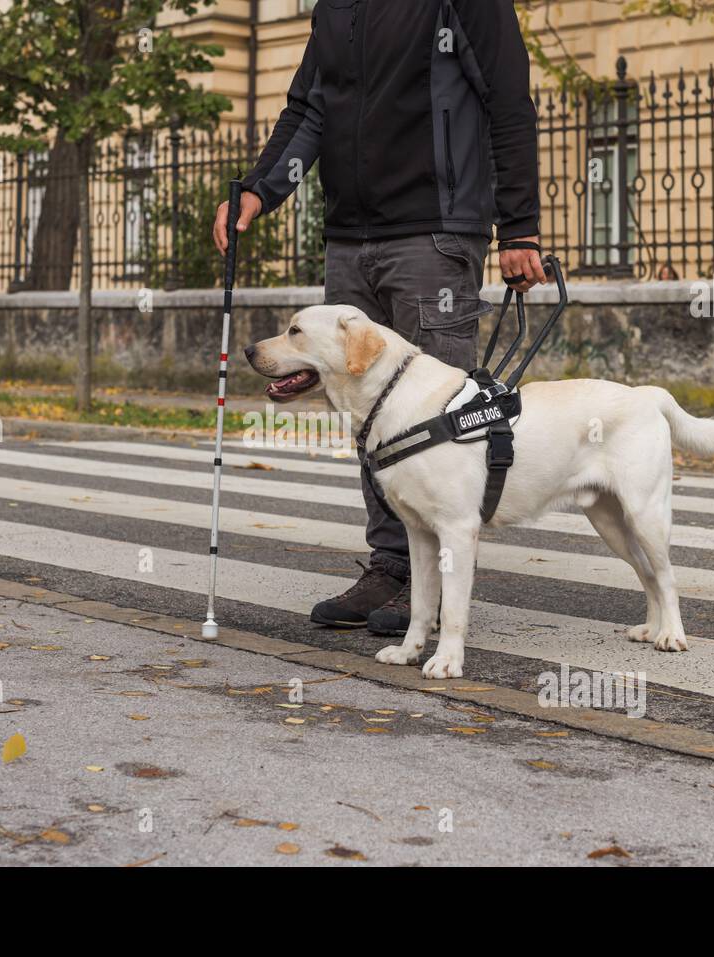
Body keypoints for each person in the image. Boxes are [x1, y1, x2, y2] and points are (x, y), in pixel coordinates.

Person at [213, 0, 544, 637]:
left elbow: (508, 101)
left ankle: (441, 580)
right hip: (349, 235)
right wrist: (261, 188)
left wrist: (520, 226)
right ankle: (392, 566)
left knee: (438, 414)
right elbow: (311, 107)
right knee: (368, 409)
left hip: (437, 229)